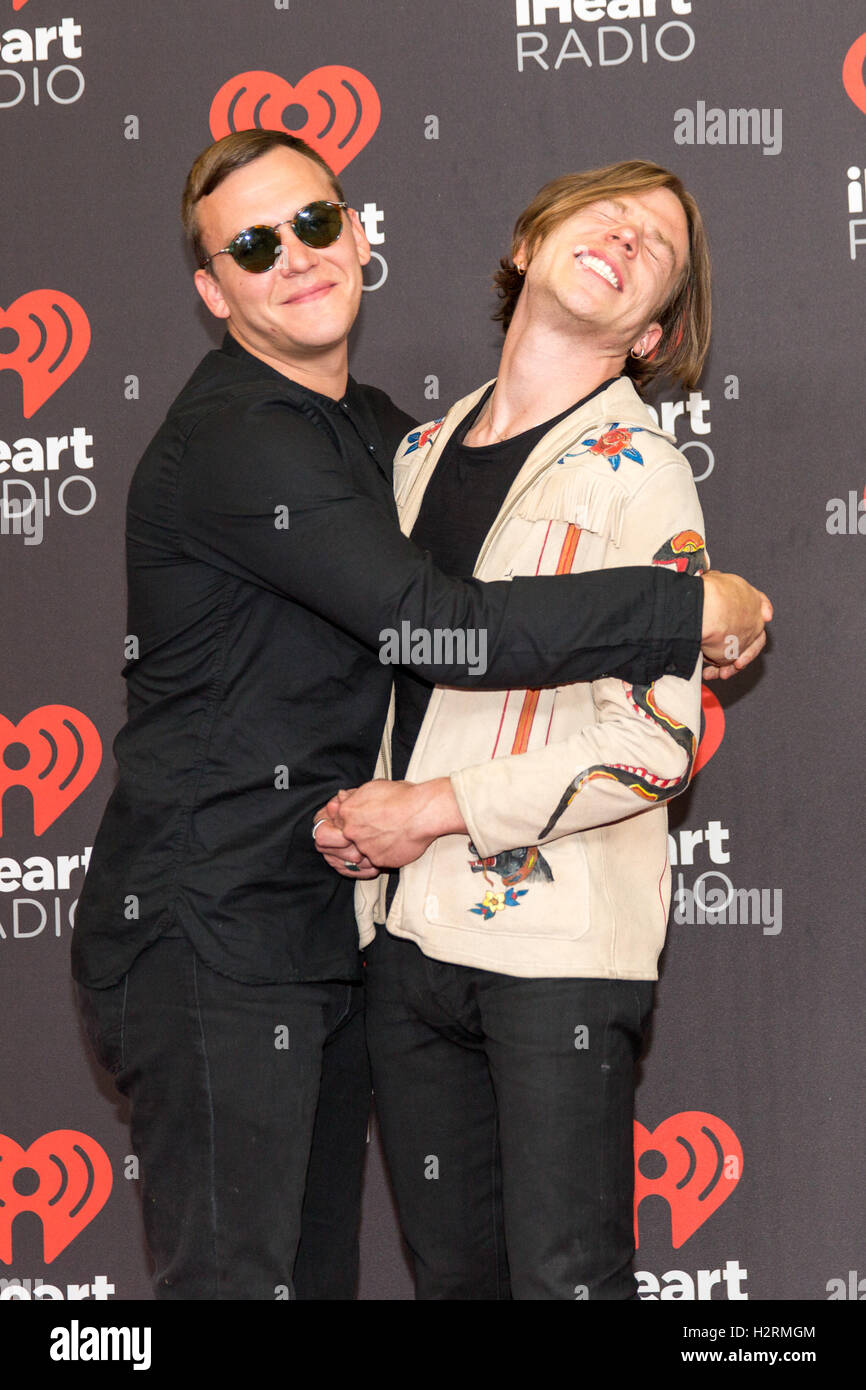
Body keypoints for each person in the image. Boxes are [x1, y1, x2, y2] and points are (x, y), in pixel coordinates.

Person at [72, 131, 769, 1302]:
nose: (292, 255)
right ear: (212, 288)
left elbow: (640, 727)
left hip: (348, 939)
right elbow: (439, 626)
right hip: (213, 937)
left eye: (312, 222)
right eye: (252, 243)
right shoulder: (252, 439)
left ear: (357, 233)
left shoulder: (389, 439)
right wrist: (685, 604)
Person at [316, 160, 759, 1300]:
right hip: (402, 936)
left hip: (552, 948)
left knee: (568, 1280)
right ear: (525, 245)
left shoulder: (641, 473)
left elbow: (655, 737)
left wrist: (432, 809)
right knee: (451, 1277)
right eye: (603, 211)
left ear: (649, 335)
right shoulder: (411, 458)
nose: (624, 233)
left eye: (654, 245)